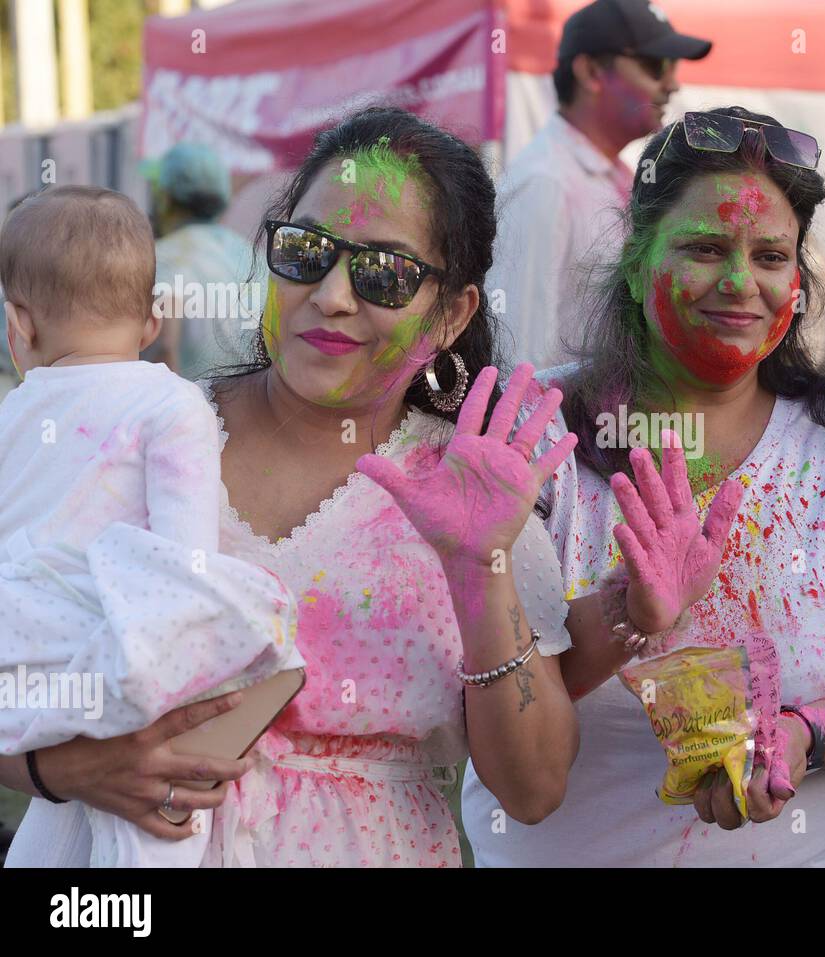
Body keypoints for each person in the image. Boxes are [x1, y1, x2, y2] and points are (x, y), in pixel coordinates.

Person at [0, 107, 728, 868]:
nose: (334, 295)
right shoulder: (141, 434)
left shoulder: (474, 489)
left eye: (384, 271)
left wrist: (480, 567)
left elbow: (534, 788)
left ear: (451, 314)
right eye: (309, 250)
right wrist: (65, 767)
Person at [461, 106, 825, 867]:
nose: (740, 282)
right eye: (703, 247)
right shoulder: (534, 439)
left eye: (770, 256)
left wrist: (802, 733)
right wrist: (624, 617)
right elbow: (514, 755)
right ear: (635, 261)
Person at [0, 185, 302, 867]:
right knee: (277, 638)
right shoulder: (171, 403)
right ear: (152, 321)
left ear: (20, 323)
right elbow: (184, 565)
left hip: (24, 679)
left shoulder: (11, 415)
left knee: (64, 833)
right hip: (123, 663)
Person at [486, 0, 711, 369]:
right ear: (590, 71)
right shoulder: (544, 182)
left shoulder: (612, 174)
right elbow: (515, 357)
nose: (671, 85)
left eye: (672, 68)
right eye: (654, 66)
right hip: (564, 424)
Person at [146, 142, 266, 380]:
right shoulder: (256, 259)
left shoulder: (162, 259)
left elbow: (164, 347)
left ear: (165, 199)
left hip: (191, 409)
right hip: (249, 407)